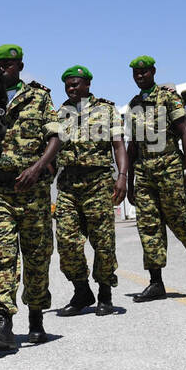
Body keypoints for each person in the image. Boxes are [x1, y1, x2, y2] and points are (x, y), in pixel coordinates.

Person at [0, 44, 62, 351]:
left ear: (20, 67)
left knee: (37, 256)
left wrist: (37, 167)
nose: (2, 70)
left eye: (9, 65)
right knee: (3, 255)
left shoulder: (39, 97)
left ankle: (36, 317)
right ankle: (3, 323)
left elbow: (56, 137)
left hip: (34, 191)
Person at [124, 56, 186, 301]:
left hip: (169, 168)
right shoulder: (133, 105)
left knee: (181, 223)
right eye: (136, 73)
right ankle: (156, 282)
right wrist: (130, 181)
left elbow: (184, 133)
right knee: (148, 227)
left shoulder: (168, 98)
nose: (140, 76)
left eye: (144, 72)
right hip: (144, 172)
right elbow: (132, 146)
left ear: (153, 72)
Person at [54, 66, 127, 317]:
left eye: (76, 84)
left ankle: (105, 294)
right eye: (68, 85)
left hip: (98, 183)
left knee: (103, 242)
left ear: (87, 84)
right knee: (66, 241)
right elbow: (52, 151)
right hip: (68, 185)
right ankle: (82, 291)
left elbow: (119, 146)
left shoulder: (106, 110)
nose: (71, 88)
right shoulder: (60, 113)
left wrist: (122, 176)